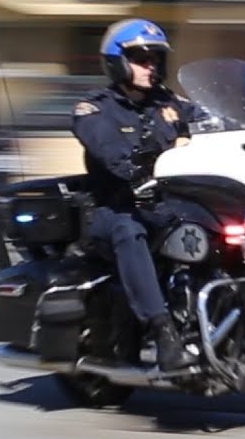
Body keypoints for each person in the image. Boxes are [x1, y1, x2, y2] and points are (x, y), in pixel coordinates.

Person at [71, 18, 205, 372]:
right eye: (140, 57)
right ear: (116, 61)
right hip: (112, 211)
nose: (151, 65)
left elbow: (213, 123)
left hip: (162, 207)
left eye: (155, 58)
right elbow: (109, 149)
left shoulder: (171, 104)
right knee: (130, 232)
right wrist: (136, 170)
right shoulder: (94, 109)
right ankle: (163, 335)